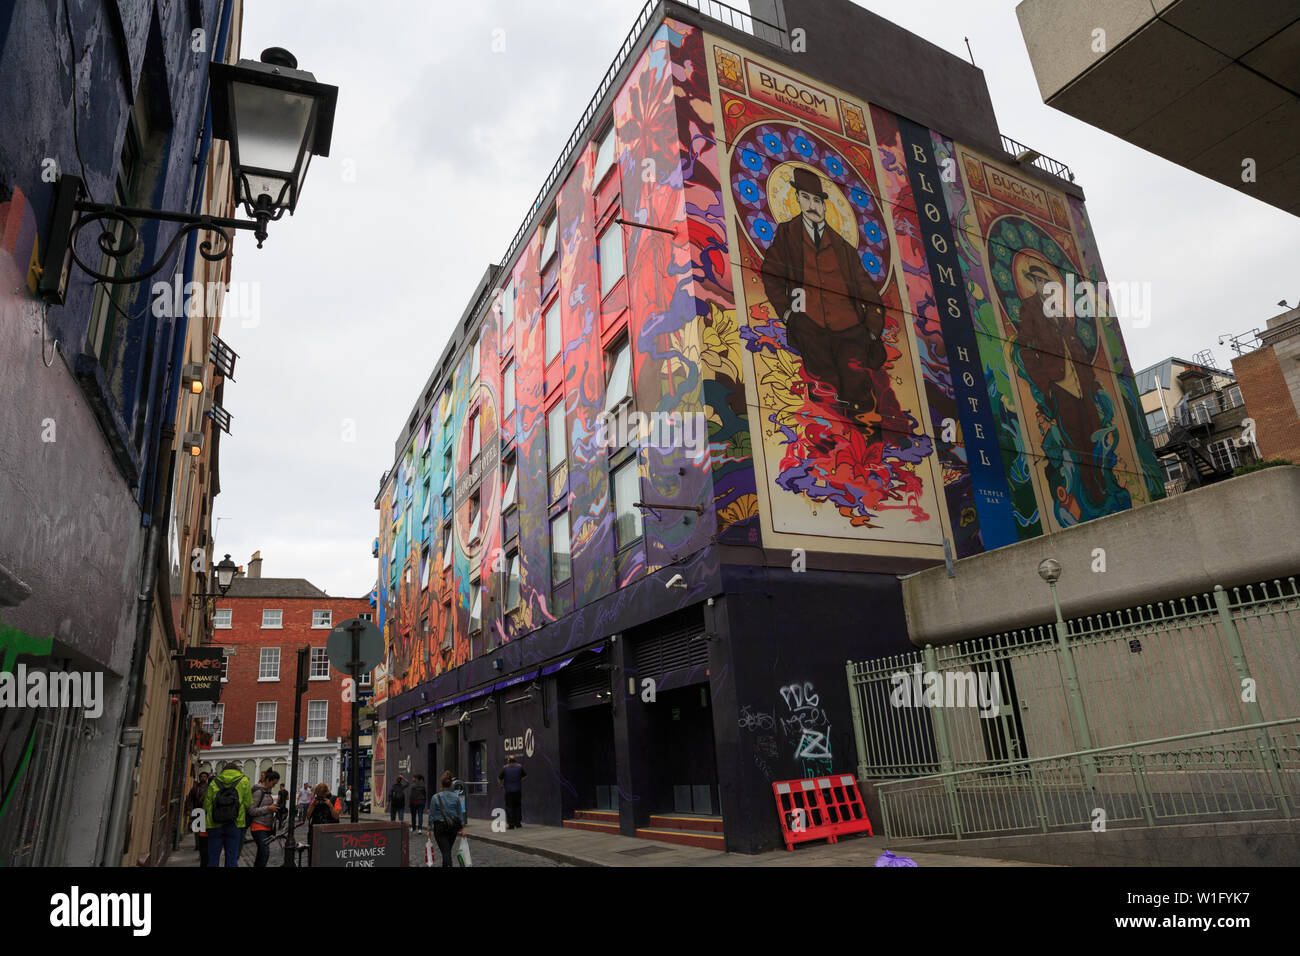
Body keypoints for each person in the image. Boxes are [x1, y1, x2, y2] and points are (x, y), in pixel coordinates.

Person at [760, 167, 888, 426]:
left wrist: (871, 331)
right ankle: (830, 449)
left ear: (825, 206)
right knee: (824, 391)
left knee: (859, 390)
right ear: (797, 199)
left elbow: (867, 290)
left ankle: (868, 446)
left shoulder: (842, 246)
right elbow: (771, 273)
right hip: (810, 326)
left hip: (851, 330)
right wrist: (787, 314)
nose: (812, 205)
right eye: (806, 198)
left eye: (817, 200)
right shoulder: (787, 234)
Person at [1015, 262, 1108, 506]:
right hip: (1059, 385)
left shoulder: (1057, 311)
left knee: (1092, 436)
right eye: (1039, 281)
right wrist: (1043, 382)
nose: (1044, 285)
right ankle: (1090, 491)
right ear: (1033, 284)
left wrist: (1092, 383)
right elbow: (1023, 347)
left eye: (1047, 281)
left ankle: (1100, 482)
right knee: (1074, 441)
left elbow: (1075, 347)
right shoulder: (1030, 308)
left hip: (1080, 386)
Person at [203, 760, 253, 867]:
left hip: (214, 823)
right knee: (232, 857)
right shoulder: (244, 780)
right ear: (237, 770)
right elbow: (248, 803)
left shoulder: (214, 781)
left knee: (213, 858)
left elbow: (206, 805)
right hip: (235, 823)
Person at [429, 771, 466, 867]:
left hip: (440, 827)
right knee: (447, 849)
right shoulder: (456, 797)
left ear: (441, 784)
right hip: (453, 826)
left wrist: (429, 829)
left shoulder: (435, 797)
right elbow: (459, 814)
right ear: (450, 785)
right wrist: (462, 828)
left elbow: (431, 815)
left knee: (446, 851)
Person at [248, 770, 280, 867]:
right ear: (267, 780)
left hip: (265, 827)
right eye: (273, 783)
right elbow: (251, 810)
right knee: (264, 853)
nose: (273, 786)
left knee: (261, 855)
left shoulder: (267, 793)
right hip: (258, 827)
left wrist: (272, 810)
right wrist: (269, 808)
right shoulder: (259, 792)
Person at [304, 782, 341, 866]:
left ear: (326, 793)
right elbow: (308, 816)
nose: (320, 798)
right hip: (315, 832)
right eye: (318, 795)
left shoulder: (335, 799)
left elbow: (336, 817)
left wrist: (330, 806)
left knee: (329, 854)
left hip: (330, 833)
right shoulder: (315, 800)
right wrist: (312, 806)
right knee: (314, 854)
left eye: (322, 796)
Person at [185, 771, 211, 867]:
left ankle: (202, 848)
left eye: (205, 776)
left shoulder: (209, 787)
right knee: (197, 831)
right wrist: (189, 809)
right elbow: (190, 799)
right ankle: (198, 845)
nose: (203, 778)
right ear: (200, 778)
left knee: (203, 831)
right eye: (202, 776)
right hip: (197, 811)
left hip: (206, 812)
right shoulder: (195, 788)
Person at [498, 756, 527, 829]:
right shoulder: (520, 767)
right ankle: (518, 823)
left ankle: (511, 824)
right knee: (518, 806)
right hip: (517, 790)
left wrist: (501, 785)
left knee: (509, 807)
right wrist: (518, 780)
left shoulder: (505, 768)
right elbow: (525, 776)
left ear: (509, 761)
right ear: (515, 760)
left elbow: (499, 778)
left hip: (509, 791)